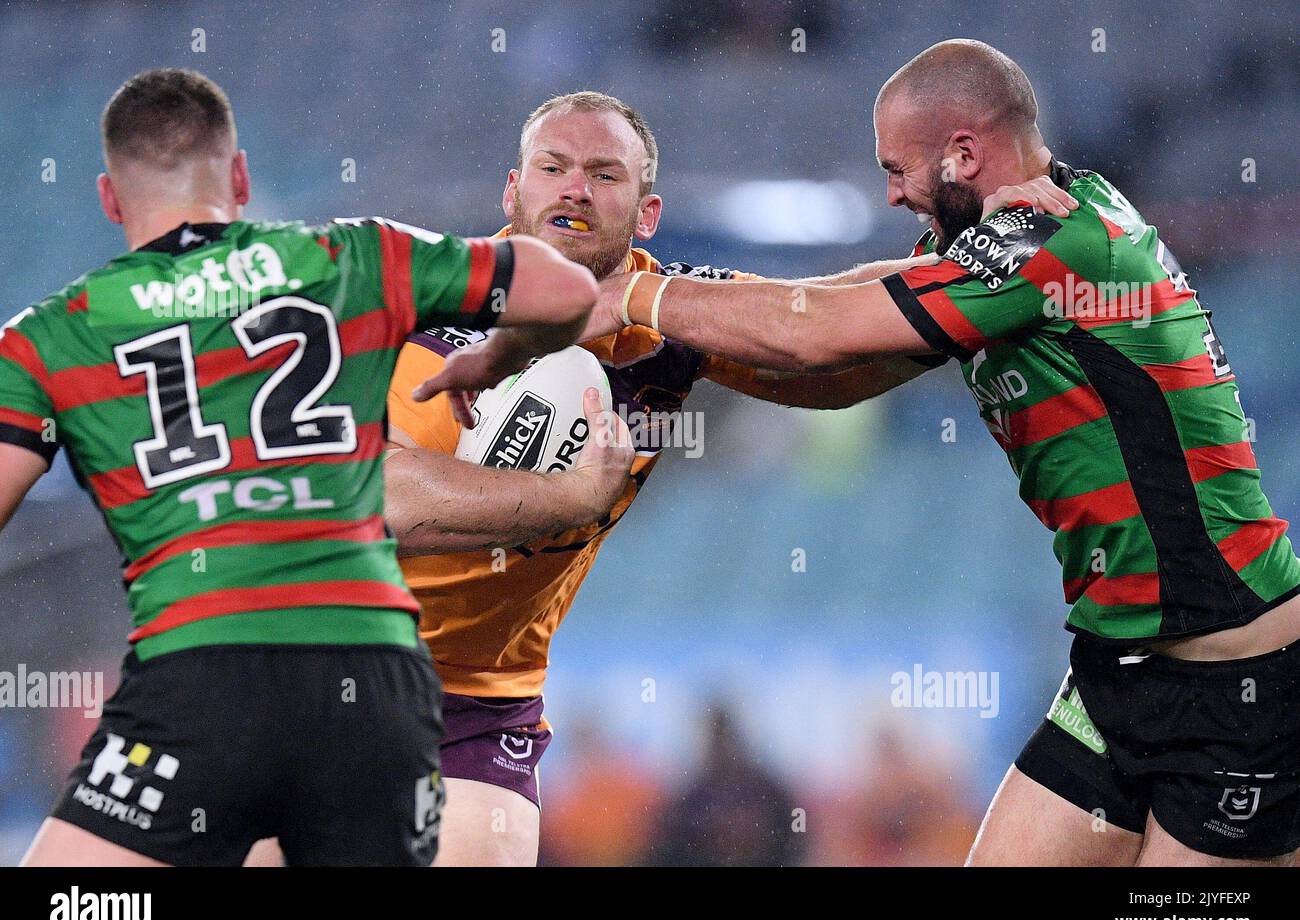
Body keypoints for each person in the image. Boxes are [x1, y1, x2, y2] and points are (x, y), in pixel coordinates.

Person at [436, 41, 1300, 866]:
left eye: (897, 170)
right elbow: (844, 342)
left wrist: (636, 294)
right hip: (1118, 664)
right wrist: (679, 326)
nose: (891, 196)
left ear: (962, 153)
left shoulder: (1054, 244)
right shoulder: (1003, 244)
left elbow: (829, 335)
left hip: (1234, 671)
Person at [378, 91, 1075, 867]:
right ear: (513, 192)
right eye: (553, 167)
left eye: (605, 175)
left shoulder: (662, 316)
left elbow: (829, 327)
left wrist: (990, 250)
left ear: (645, 216)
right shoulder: (431, 312)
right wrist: (565, 498)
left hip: (483, 701)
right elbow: (381, 497)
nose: (575, 188)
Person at [2, 67, 606, 866]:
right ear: (242, 179)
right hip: (376, 683)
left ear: (111, 200)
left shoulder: (50, 337)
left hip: (201, 674)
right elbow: (565, 291)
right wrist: (497, 359)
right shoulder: (354, 257)